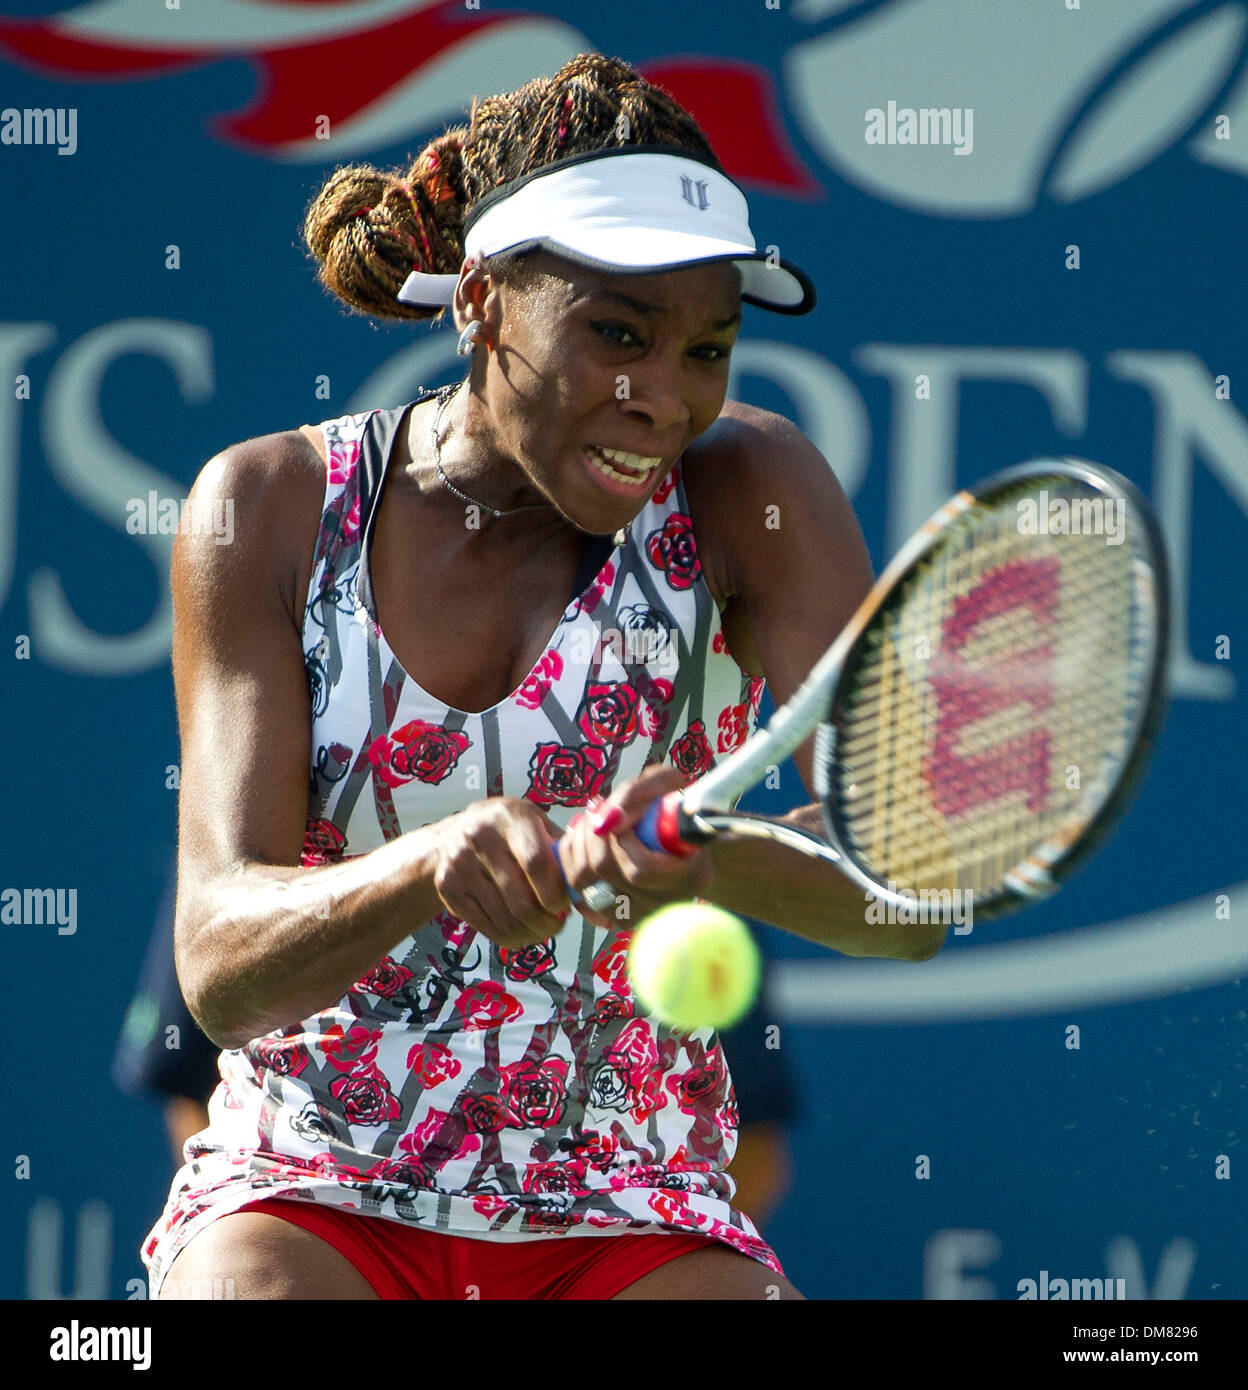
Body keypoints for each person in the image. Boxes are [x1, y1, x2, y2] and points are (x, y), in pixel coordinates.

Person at [143, 52, 943, 1302]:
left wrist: (709, 851)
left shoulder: (754, 491)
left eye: (708, 349)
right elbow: (216, 961)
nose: (664, 401)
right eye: (619, 336)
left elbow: (908, 902)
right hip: (311, 1183)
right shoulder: (266, 504)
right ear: (480, 302)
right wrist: (427, 862)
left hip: (639, 1195)